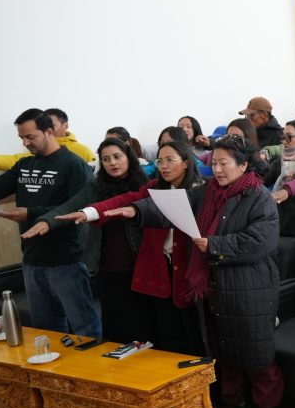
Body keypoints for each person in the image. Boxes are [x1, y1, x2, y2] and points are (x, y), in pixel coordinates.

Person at [111, 135, 284, 408]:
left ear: (243, 165)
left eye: (224, 164)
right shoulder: (206, 193)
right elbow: (170, 211)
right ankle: (239, 404)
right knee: (225, 349)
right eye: (213, 163)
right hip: (214, 286)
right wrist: (136, 211)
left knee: (256, 351)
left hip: (250, 286)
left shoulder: (259, 197)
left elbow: (260, 242)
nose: (217, 170)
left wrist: (214, 244)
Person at [58, 138, 204, 354]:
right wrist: (89, 212)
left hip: (191, 271)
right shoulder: (155, 186)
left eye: (169, 160)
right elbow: (127, 199)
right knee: (168, 334)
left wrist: (135, 210)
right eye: (160, 161)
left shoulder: (202, 189)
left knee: (196, 335)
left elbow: (143, 206)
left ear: (185, 162)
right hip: (163, 270)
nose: (163, 166)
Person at [21, 138, 151, 341]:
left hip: (139, 265)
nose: (113, 163)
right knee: (114, 324)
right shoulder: (96, 185)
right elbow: (71, 205)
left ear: (129, 157)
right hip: (106, 265)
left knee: (142, 323)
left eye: (117, 157)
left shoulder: (145, 185)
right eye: (106, 159)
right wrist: (46, 221)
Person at [0, 110, 100, 337]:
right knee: (47, 332)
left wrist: (31, 213)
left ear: (49, 132)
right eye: (21, 138)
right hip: (32, 260)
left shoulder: (74, 165)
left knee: (85, 329)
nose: (25, 143)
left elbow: (78, 207)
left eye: (30, 137)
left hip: (66, 261)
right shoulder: (24, 165)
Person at [0, 107, 95, 170]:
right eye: (22, 138)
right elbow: (14, 160)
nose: (25, 143)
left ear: (65, 126)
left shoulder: (82, 153)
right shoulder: (32, 155)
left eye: (52, 125)